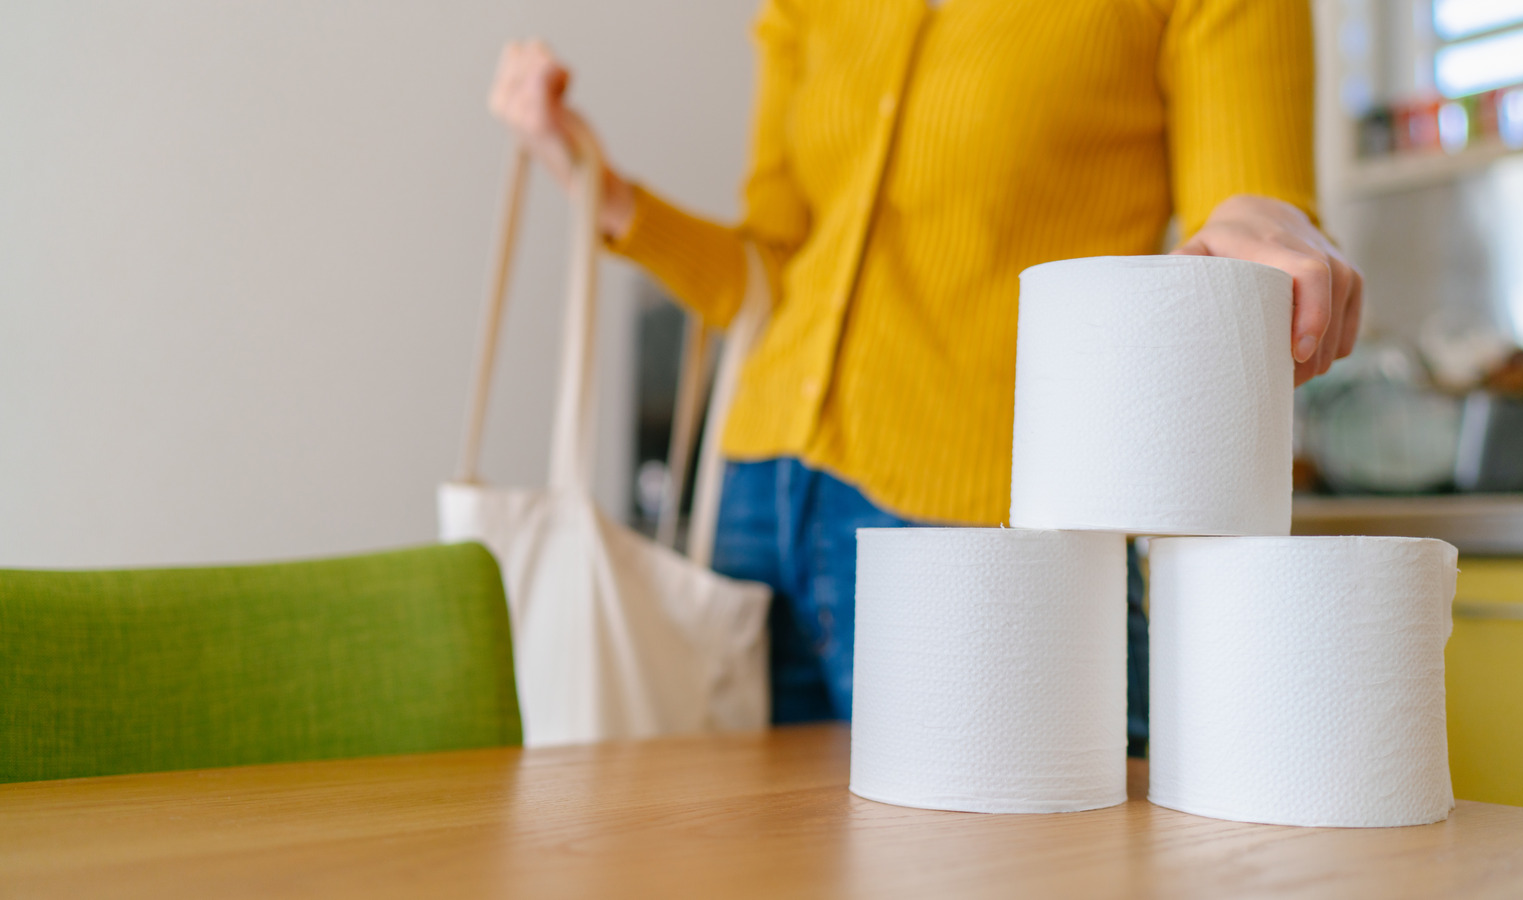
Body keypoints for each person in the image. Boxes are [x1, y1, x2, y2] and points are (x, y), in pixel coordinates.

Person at [488, 0, 1361, 753]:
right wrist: (602, 190)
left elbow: (1245, 213)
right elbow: (771, 272)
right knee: (747, 863)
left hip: (981, 528)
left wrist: (1267, 231)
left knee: (1036, 862)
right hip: (757, 509)